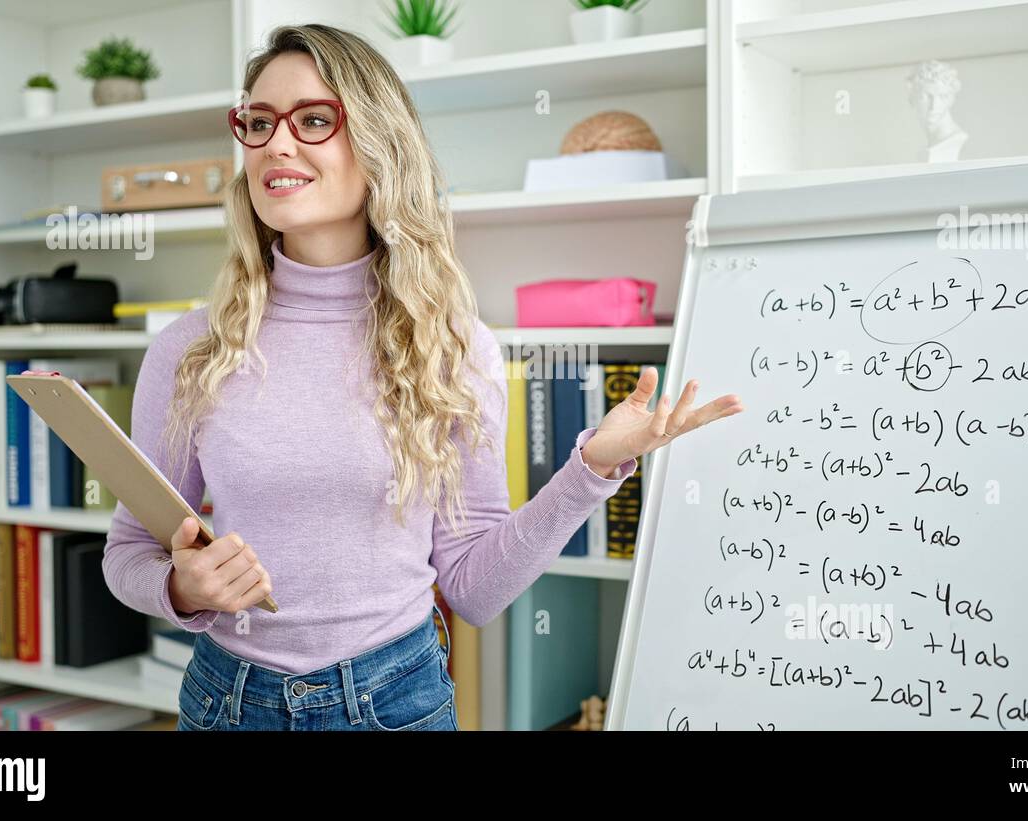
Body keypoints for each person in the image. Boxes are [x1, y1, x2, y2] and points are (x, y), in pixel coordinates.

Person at [102, 23, 743, 731]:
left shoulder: (453, 346)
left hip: (393, 703)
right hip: (225, 703)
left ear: (379, 145)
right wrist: (179, 588)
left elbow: (472, 585)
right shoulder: (190, 348)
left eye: (314, 120)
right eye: (258, 122)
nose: (276, 145)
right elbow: (130, 552)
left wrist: (591, 468)